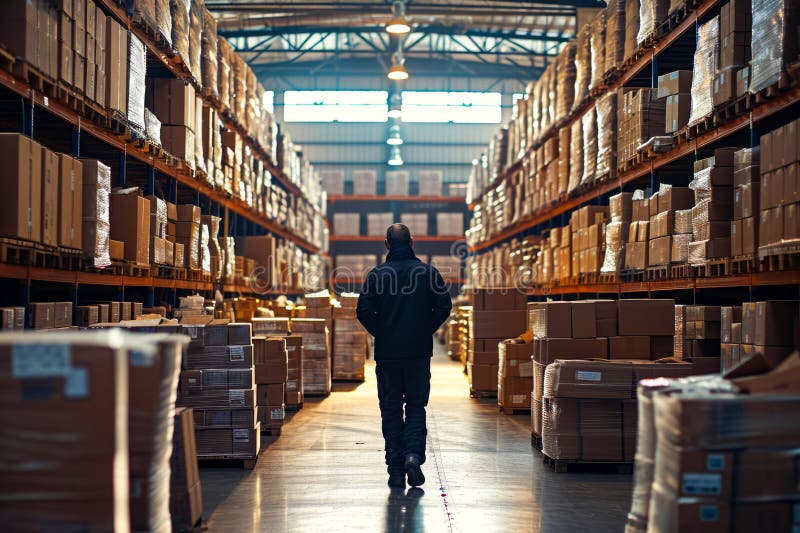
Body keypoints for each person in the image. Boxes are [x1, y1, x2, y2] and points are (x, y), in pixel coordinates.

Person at [356, 223, 453, 488]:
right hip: (418, 353)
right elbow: (444, 306)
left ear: (387, 245)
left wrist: (382, 332)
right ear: (412, 241)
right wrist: (424, 330)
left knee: (390, 409)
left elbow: (363, 311)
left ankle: (396, 471)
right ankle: (413, 455)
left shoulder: (376, 275)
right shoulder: (428, 273)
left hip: (388, 354)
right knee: (415, 405)